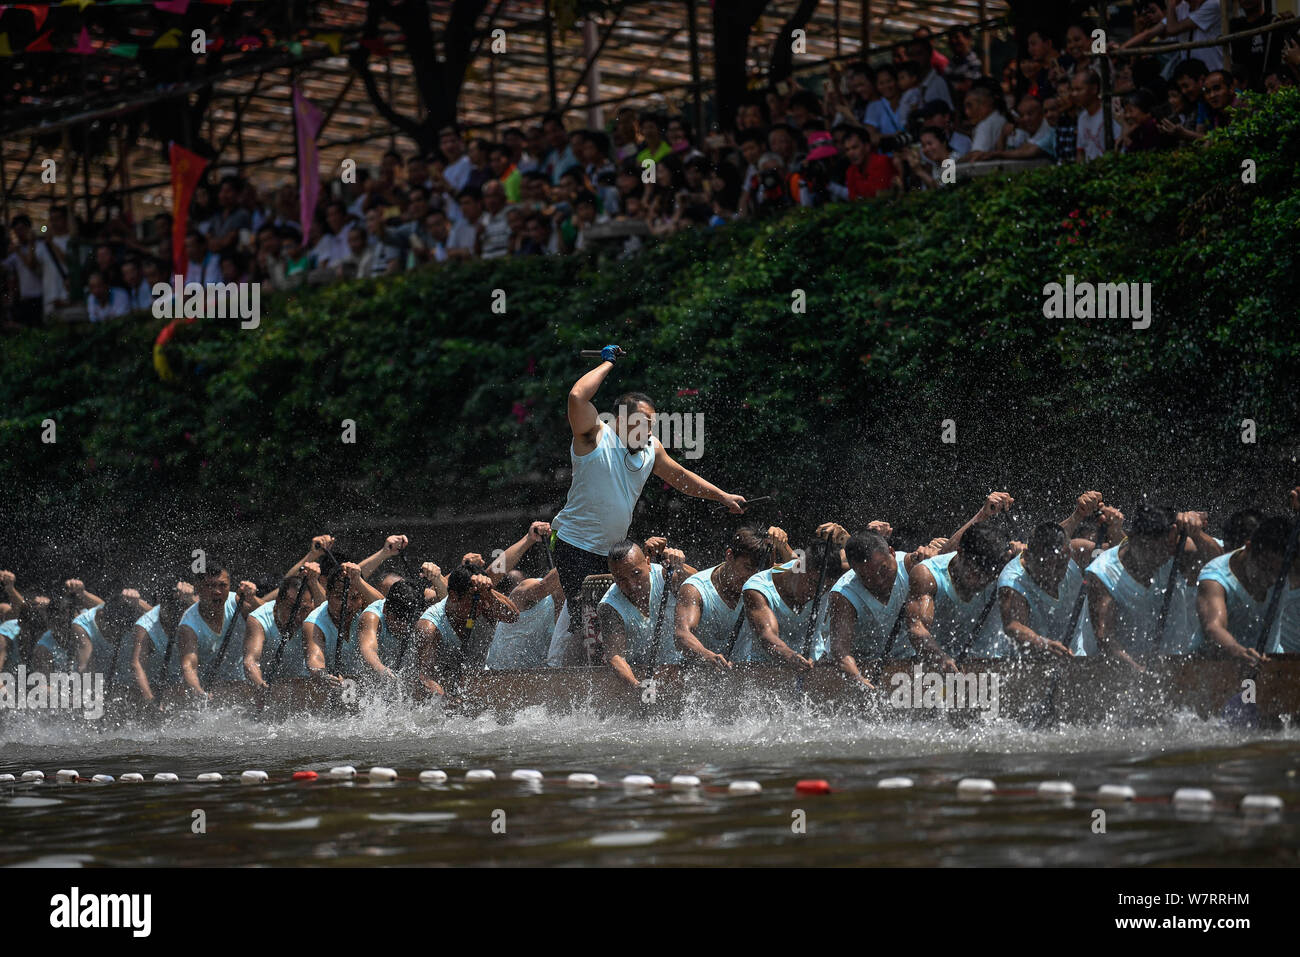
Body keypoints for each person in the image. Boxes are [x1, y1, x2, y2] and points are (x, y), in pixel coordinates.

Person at [548, 349, 745, 664]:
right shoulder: (594, 437)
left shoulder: (652, 448)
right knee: (587, 619)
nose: (650, 430)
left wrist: (721, 496)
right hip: (574, 545)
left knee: (611, 612)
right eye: (643, 423)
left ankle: (618, 671)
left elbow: (680, 477)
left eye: (653, 423)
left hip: (613, 553)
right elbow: (575, 397)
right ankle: (575, 679)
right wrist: (608, 363)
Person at [1076, 505, 1222, 667]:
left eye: (1162, 551)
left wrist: (1198, 534)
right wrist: (1140, 674)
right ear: (1132, 538)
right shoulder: (1102, 572)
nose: (1156, 558)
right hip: (1112, 667)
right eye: (1149, 550)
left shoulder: (1175, 549)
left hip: (1171, 662)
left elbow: (1221, 566)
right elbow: (1106, 639)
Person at [999, 496, 1126, 660]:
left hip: (1076, 655)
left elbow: (1122, 558)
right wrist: (1043, 644)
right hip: (1031, 661)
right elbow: (1013, 625)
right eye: (1044, 566)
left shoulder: (1077, 551)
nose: (1052, 574)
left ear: (1068, 554)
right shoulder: (1011, 580)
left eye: (1060, 566)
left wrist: (1115, 530)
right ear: (1028, 556)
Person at [828, 526, 946, 688]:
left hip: (907, 662)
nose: (878, 581)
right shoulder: (843, 595)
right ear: (854, 571)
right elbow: (841, 652)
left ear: (891, 552)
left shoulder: (915, 566)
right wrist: (859, 681)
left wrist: (937, 557)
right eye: (866, 577)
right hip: (864, 665)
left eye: (883, 570)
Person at [674, 526, 788, 669]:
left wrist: (784, 547)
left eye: (757, 572)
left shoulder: (761, 582)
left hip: (739, 673)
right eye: (747, 567)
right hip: (699, 672)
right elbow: (682, 635)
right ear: (729, 555)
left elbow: (802, 573)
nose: (752, 578)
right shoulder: (695, 589)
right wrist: (707, 656)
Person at [733, 528, 846, 671]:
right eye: (812, 583)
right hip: (763, 668)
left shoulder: (823, 578)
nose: (816, 593)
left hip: (813, 664)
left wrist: (845, 539)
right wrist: (791, 657)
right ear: (798, 566)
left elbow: (860, 564)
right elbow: (767, 636)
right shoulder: (757, 589)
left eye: (826, 588)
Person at [599, 538, 695, 690]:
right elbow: (615, 656)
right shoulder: (610, 606)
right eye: (621, 580)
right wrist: (636, 685)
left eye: (636, 574)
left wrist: (680, 566)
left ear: (648, 563)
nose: (631, 585)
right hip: (641, 673)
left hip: (682, 669)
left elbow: (698, 585)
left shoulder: (666, 575)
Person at [1195, 514, 1294, 661]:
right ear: (1248, 548)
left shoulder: (1286, 562)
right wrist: (1238, 652)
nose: (1271, 579)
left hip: (1271, 665)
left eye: (1277, 573)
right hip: (1219, 666)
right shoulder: (1214, 580)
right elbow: (1213, 627)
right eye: (1264, 567)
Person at [415, 564, 518, 691]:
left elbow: (513, 617)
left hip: (474, 684)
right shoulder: (430, 626)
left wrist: (488, 592)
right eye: (474, 600)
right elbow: (425, 677)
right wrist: (446, 701)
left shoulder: (485, 604)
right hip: (441, 690)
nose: (480, 605)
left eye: (482, 599)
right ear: (453, 596)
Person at [175, 559, 262, 700]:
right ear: (198, 588)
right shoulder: (188, 625)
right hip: (208, 687)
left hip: (241, 683)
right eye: (210, 586)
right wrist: (199, 693)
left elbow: (271, 615)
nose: (217, 592)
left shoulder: (238, 602)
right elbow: (188, 666)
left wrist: (253, 600)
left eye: (222, 585)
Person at [242, 565, 320, 690]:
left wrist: (314, 583)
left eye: (304, 609)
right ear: (278, 602)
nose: (298, 616)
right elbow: (250, 661)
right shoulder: (258, 620)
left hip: (299, 683)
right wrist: (261, 685)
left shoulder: (312, 618)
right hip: (266, 682)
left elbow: (326, 608)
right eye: (292, 608)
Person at [130, 580, 197, 707]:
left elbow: (209, 609)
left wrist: (191, 599)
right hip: (156, 681)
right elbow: (136, 664)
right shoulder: (145, 626)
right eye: (170, 609)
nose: (175, 614)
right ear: (161, 605)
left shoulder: (193, 612)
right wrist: (150, 701)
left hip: (185, 678)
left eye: (180, 609)